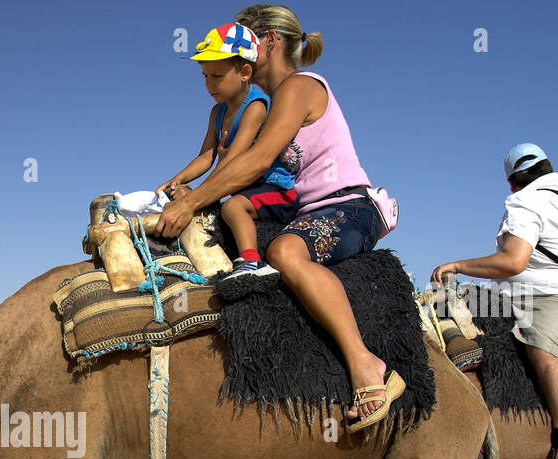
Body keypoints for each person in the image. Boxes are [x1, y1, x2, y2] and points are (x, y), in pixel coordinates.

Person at [156, 3, 401, 431]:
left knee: (285, 252)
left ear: (268, 41)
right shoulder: (259, 103)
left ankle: (366, 364)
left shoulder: (300, 86)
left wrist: (190, 203)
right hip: (308, 209)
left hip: (347, 205)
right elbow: (235, 162)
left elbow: (258, 160)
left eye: (245, 34)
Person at [430, 144, 558, 459]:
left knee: (541, 344)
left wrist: (456, 264)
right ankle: (464, 361)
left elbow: (514, 261)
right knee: (448, 297)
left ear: (512, 183)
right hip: (524, 295)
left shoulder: (525, 201)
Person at [155, 23, 298, 281]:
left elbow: (233, 161)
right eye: (205, 76)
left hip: (273, 190)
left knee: (231, 208)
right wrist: (176, 181)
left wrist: (197, 198)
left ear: (245, 72)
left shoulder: (255, 107)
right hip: (243, 189)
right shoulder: (217, 111)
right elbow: (206, 157)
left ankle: (251, 262)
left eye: (217, 76)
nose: (209, 84)